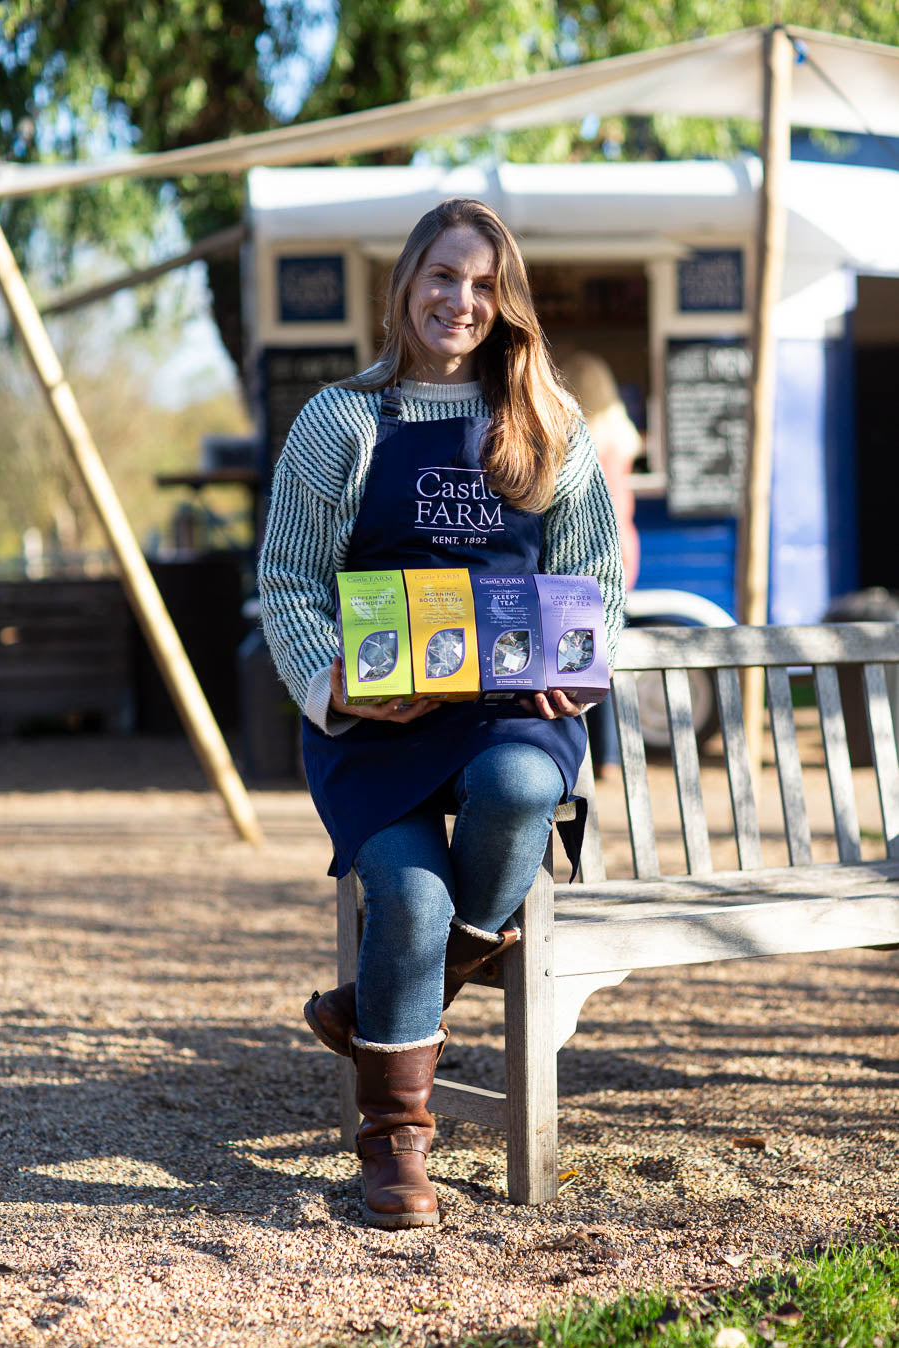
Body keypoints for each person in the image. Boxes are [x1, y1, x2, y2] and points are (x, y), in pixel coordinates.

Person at [258, 198, 625, 1230]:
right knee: (409, 904)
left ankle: (392, 997)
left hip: (512, 707)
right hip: (377, 722)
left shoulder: (548, 420)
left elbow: (594, 575)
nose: (461, 300)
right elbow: (288, 581)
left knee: (520, 788)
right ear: (406, 285)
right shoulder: (341, 421)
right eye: (442, 276)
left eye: (483, 284)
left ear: (507, 303)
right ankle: (394, 1144)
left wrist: (579, 667)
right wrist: (333, 680)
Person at [562, 351, 642, 776]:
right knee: (603, 646)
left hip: (595, 548)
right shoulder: (622, 434)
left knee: (584, 651)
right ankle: (610, 756)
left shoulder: (581, 439)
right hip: (625, 545)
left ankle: (598, 754)